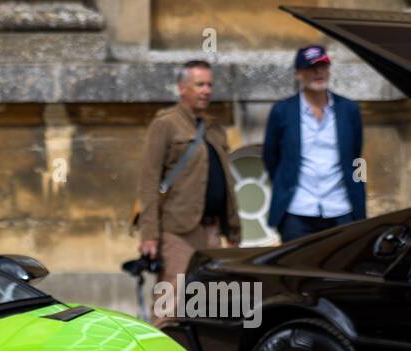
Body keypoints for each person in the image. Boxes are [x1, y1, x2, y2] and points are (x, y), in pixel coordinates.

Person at [136, 59, 241, 328]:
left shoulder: (214, 128)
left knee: (209, 301)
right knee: (170, 302)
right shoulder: (166, 124)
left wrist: (233, 230)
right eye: (200, 85)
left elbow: (227, 182)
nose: (207, 90)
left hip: (211, 230)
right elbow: (148, 180)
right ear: (182, 88)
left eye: (210, 85)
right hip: (178, 230)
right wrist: (149, 234)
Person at [263, 44, 365, 242]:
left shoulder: (348, 109)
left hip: (341, 209)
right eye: (311, 67)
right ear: (298, 74)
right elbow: (270, 157)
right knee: (297, 271)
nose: (318, 72)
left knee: (341, 271)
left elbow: (355, 156)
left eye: (323, 66)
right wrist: (286, 182)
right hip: (297, 211)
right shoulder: (282, 110)